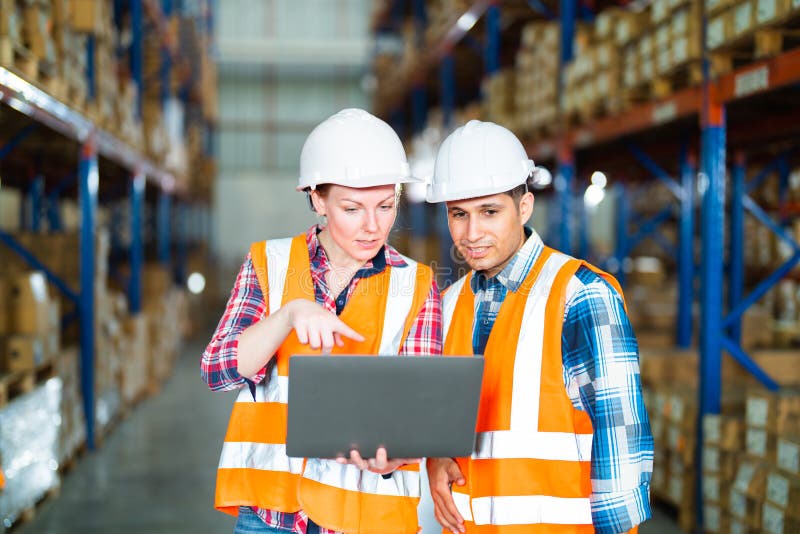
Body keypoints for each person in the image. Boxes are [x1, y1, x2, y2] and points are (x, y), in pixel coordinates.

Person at [202, 108, 443, 534]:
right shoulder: (269, 263)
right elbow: (218, 370)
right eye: (352, 209)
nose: (373, 227)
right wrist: (289, 315)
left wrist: (398, 450)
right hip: (273, 515)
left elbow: (422, 410)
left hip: (366, 519)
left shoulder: (418, 285)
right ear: (317, 199)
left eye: (386, 206)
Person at [424, 120, 653, 533]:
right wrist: (438, 456)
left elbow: (620, 446)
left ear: (524, 206)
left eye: (489, 212)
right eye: (459, 215)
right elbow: (450, 417)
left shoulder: (580, 296)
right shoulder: (451, 302)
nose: (471, 233)